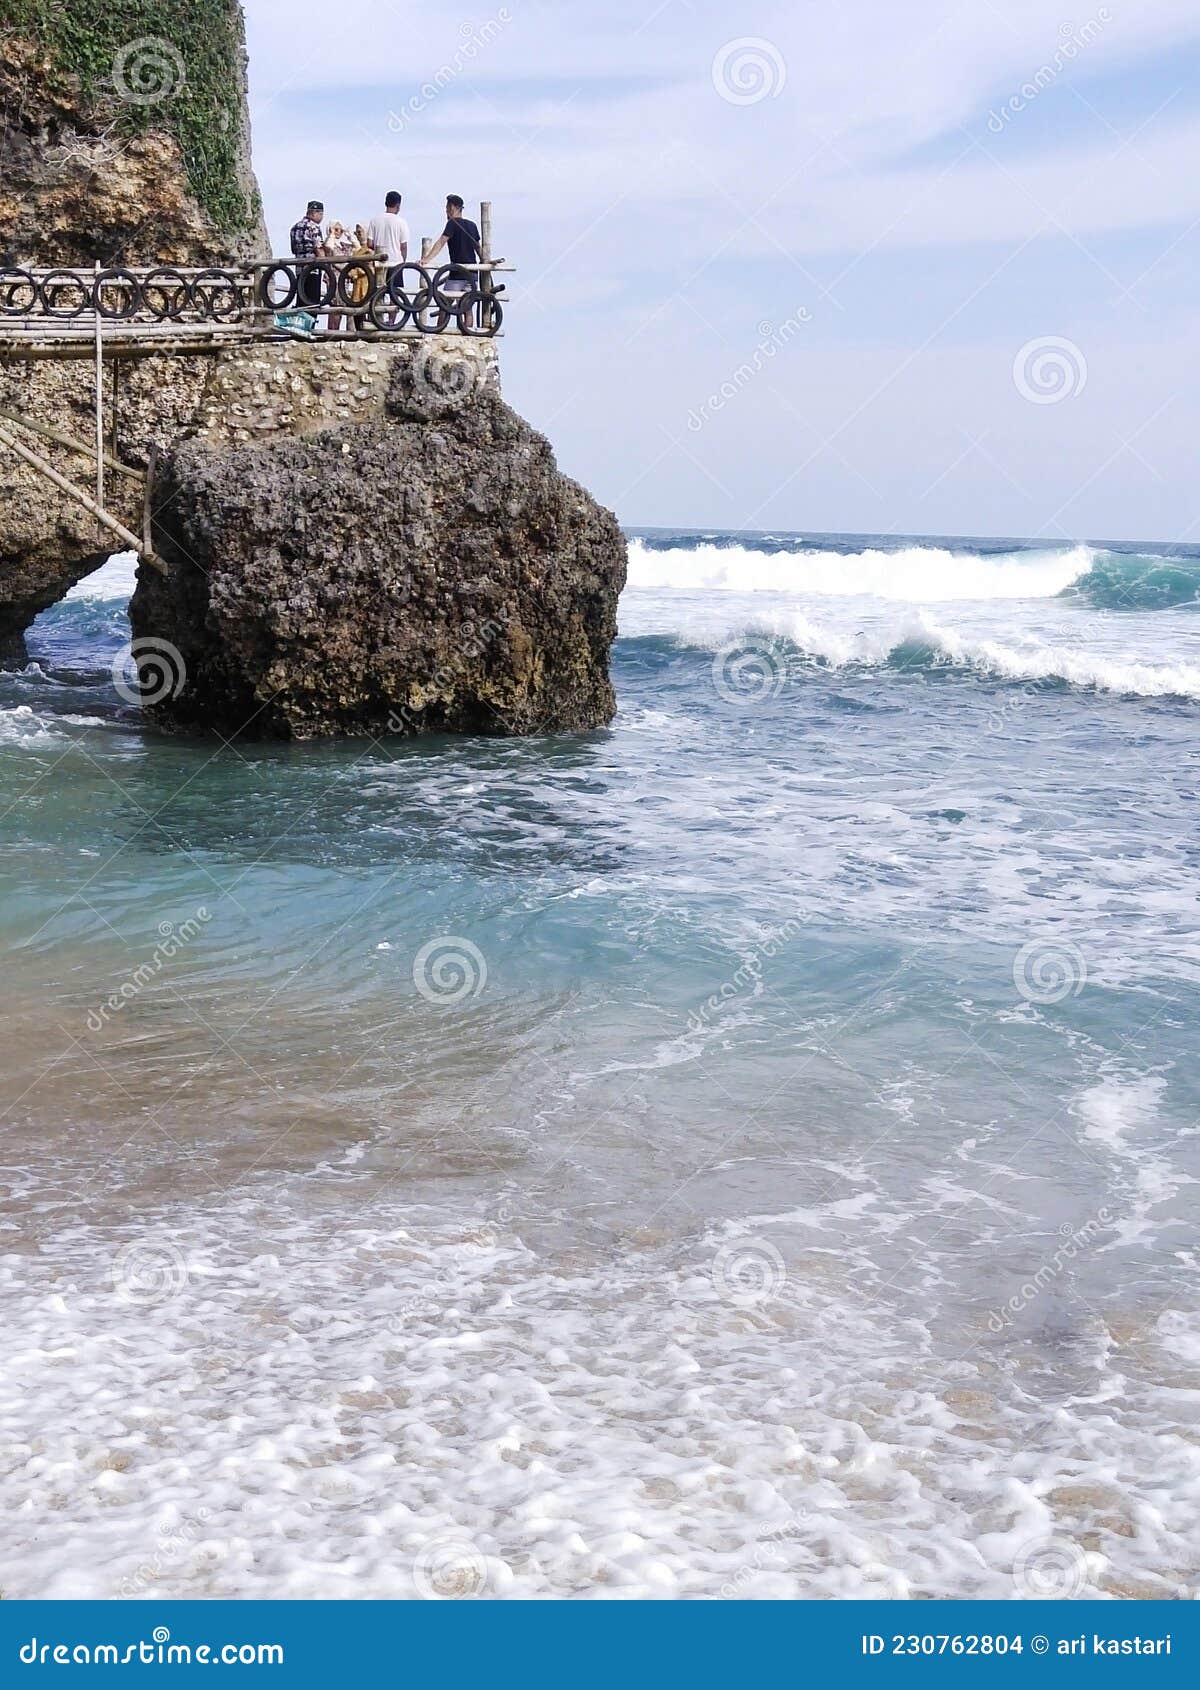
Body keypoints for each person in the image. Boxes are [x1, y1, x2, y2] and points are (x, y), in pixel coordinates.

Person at [422, 195, 482, 329]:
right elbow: (478, 248)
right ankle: (469, 333)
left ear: (453, 207)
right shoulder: (472, 225)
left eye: (447, 207)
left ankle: (439, 330)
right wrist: (485, 263)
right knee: (467, 307)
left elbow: (441, 242)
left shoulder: (452, 223)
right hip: (472, 273)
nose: (446, 211)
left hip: (457, 274)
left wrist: (426, 259)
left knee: (444, 304)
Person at [366, 192, 411, 326]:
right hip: (395, 261)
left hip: (379, 262)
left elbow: (369, 243)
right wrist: (403, 260)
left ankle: (377, 319)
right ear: (398, 205)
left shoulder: (375, 220)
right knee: (394, 293)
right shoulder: (401, 222)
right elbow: (403, 246)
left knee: (378, 291)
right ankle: (391, 322)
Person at [289, 200, 327, 316]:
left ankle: (299, 328)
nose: (322, 217)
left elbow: (293, 249)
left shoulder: (294, 228)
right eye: (321, 214)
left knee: (301, 299)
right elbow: (318, 248)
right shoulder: (313, 227)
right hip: (312, 269)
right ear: (315, 213)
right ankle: (309, 328)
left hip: (300, 268)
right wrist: (326, 265)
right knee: (312, 302)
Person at [323, 218, 355, 331]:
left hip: (344, 279)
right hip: (334, 278)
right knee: (335, 306)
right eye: (336, 229)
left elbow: (357, 248)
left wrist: (350, 235)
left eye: (340, 230)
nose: (339, 232)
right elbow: (329, 249)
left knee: (341, 306)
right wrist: (331, 233)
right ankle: (332, 331)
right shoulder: (329, 242)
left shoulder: (343, 245)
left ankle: (336, 332)